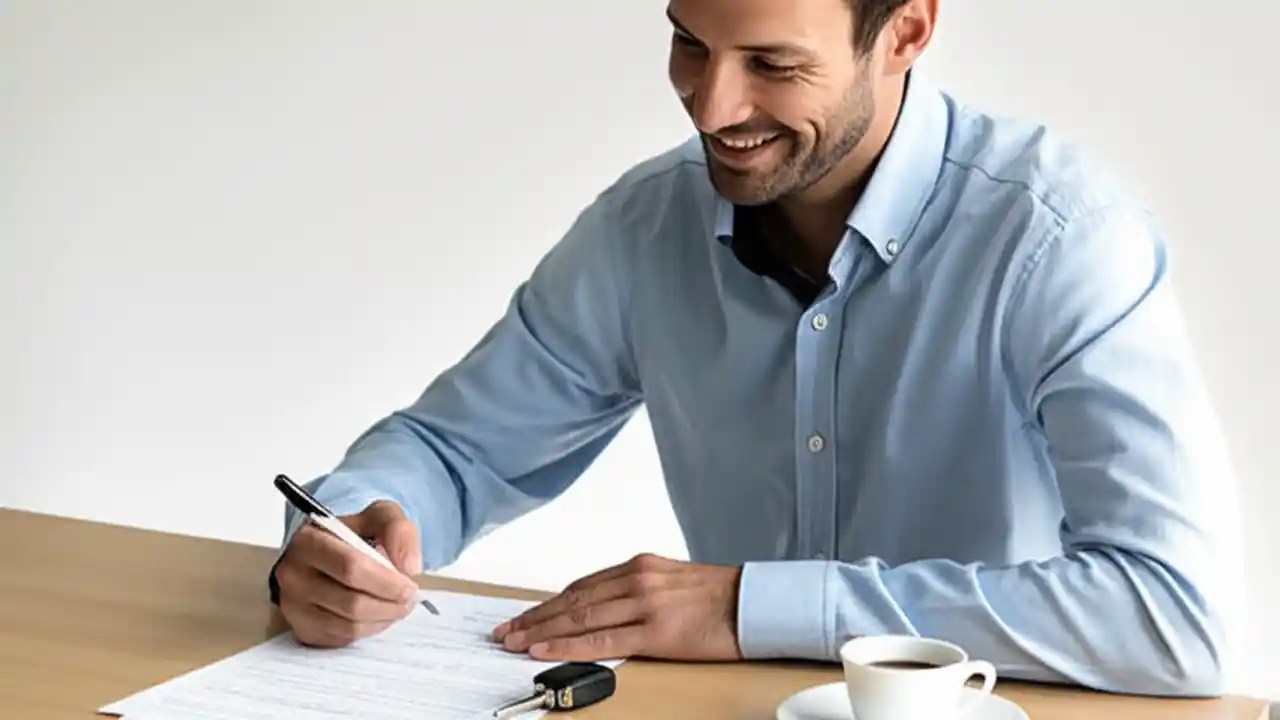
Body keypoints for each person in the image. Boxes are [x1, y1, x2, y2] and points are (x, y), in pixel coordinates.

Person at [268, 0, 1243, 697]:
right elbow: (457, 451)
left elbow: (1168, 618)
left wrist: (748, 608)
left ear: (903, 32)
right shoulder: (645, 225)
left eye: (772, 65)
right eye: (689, 44)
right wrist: (350, 534)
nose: (709, 107)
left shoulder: (1058, 239)